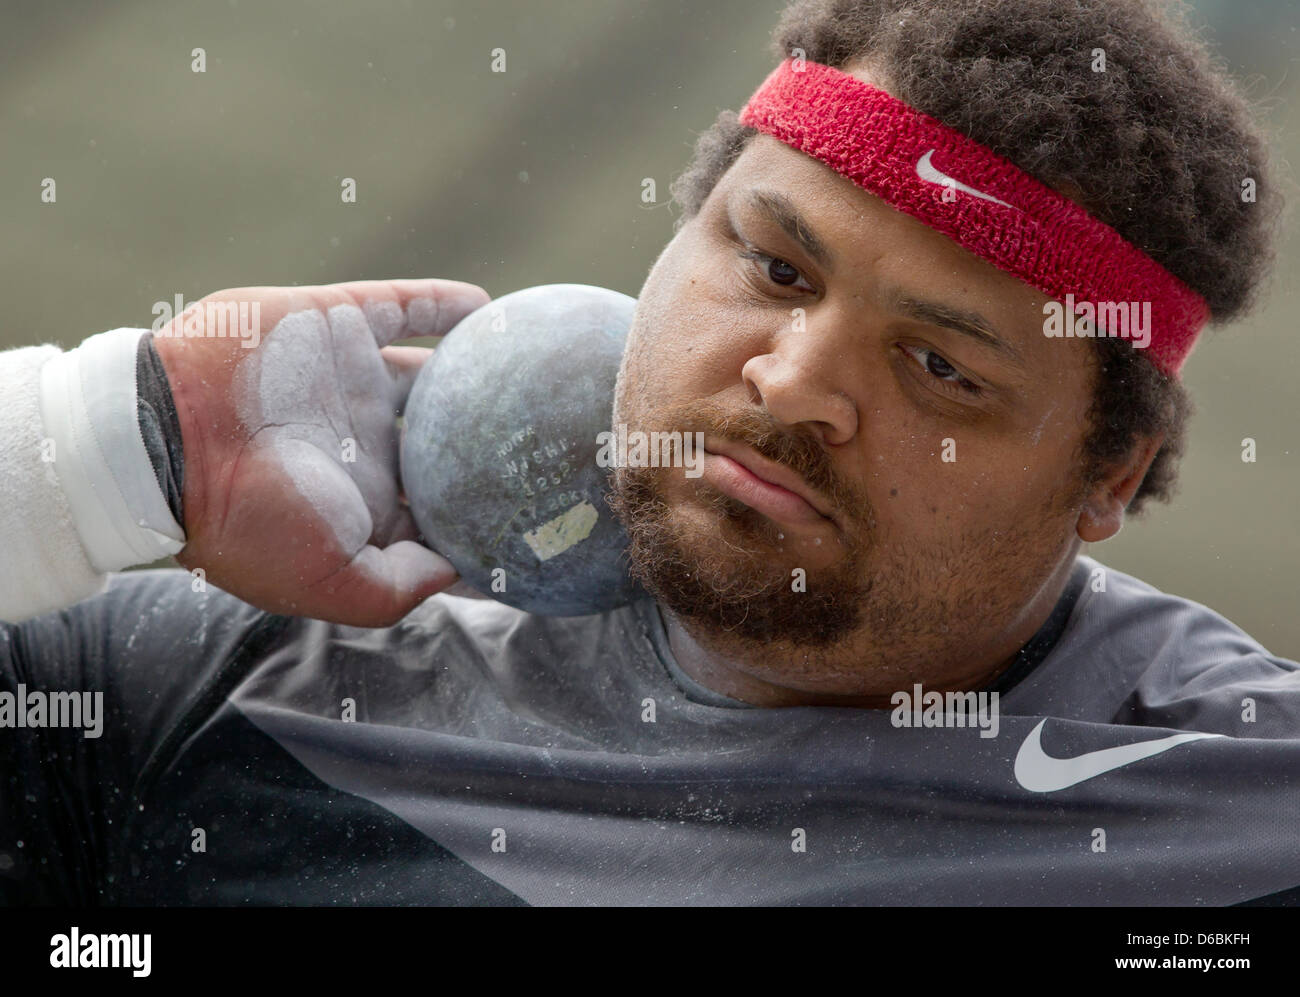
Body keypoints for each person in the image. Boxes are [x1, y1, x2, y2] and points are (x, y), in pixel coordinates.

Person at [2, 0, 1297, 905]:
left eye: (941, 367)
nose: (796, 383)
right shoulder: (233, 666)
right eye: (776, 266)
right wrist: (106, 446)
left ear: (1107, 475)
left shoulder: (1247, 811)